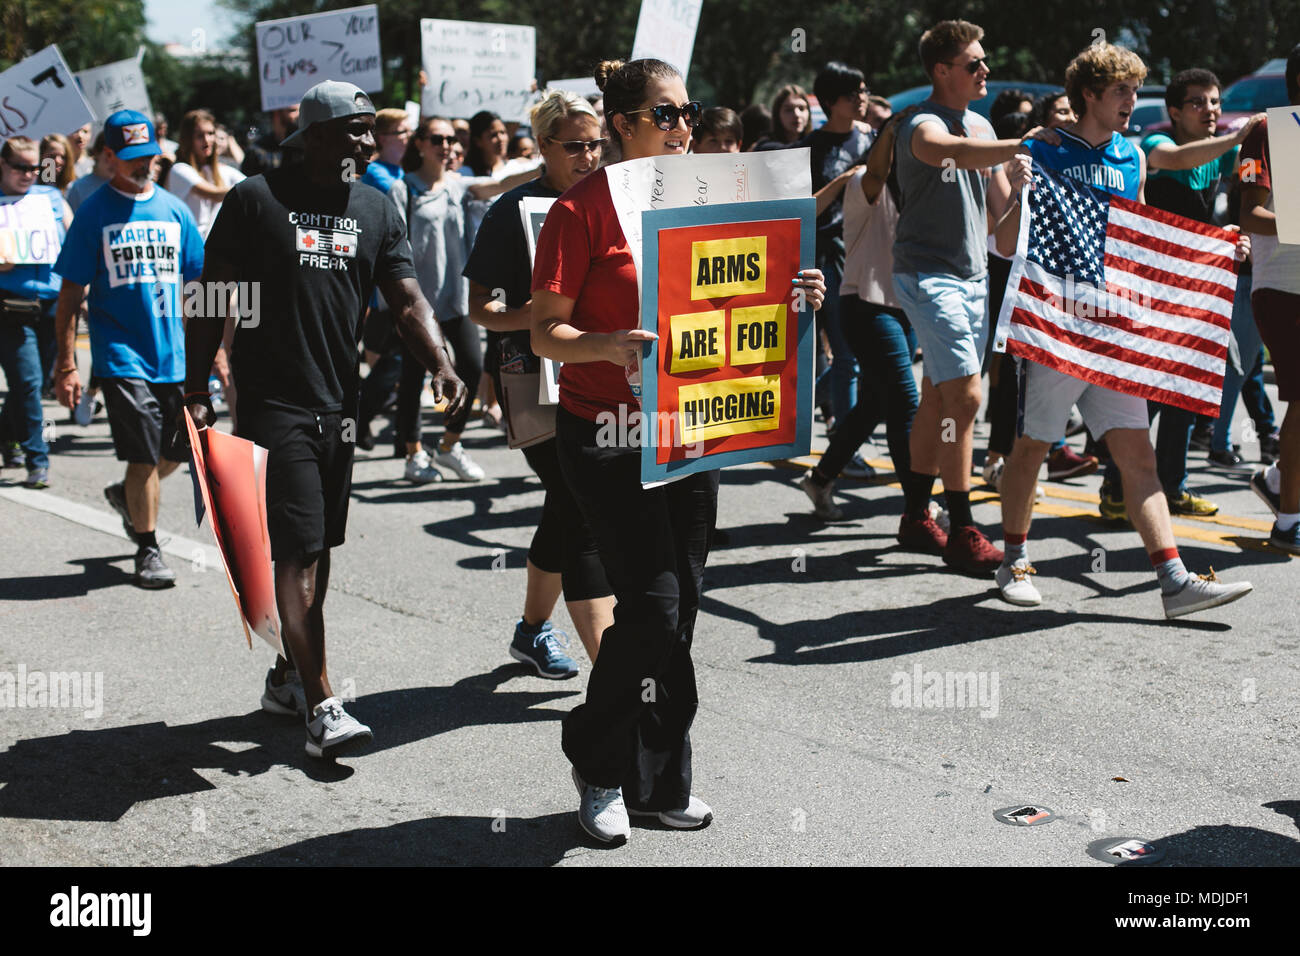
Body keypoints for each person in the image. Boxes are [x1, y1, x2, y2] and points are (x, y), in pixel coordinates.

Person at [530, 57, 826, 844]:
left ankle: (659, 777)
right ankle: (595, 760)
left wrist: (798, 294)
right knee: (654, 608)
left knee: (682, 615)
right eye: (666, 113)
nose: (684, 124)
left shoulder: (717, 194)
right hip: (606, 434)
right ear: (623, 125)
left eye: (689, 110)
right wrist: (607, 345)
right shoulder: (580, 211)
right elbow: (542, 332)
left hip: (689, 430)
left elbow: (747, 285)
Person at [183, 80, 467, 758]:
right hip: (274, 404)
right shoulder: (256, 200)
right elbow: (213, 298)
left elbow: (405, 300)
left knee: (321, 547)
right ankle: (322, 708)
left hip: (341, 407)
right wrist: (196, 387)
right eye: (355, 129)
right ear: (313, 136)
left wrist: (441, 362)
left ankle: (288, 677)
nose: (370, 142)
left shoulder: (376, 204)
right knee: (299, 551)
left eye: (373, 130)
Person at [991, 43, 1255, 614]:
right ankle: (1013, 561)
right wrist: (1016, 188)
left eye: (1135, 91)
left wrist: (1213, 248)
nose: (1132, 102)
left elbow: (1135, 241)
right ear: (1089, 94)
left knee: (1137, 455)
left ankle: (1174, 580)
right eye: (1121, 92)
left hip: (1112, 327)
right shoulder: (1042, 147)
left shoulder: (1131, 155)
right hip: (1055, 326)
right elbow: (1007, 244)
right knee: (1033, 446)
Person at [464, 88, 616, 677]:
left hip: (595, 372)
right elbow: (479, 306)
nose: (588, 157)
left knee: (570, 503)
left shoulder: (610, 201)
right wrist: (536, 316)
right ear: (543, 148)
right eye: (574, 147)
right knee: (577, 498)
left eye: (595, 144)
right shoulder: (513, 209)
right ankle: (608, 667)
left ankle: (531, 631)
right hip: (531, 376)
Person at [891, 19, 1038, 574]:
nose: (986, 71)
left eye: (984, 60)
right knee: (969, 398)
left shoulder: (981, 125)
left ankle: (913, 516)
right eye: (974, 63)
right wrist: (1018, 144)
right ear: (942, 70)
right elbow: (949, 151)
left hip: (974, 277)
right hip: (927, 277)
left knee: (940, 396)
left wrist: (1019, 190)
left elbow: (1001, 232)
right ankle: (963, 526)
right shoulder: (920, 125)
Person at [51, 111, 205, 586]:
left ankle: (127, 495)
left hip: (173, 356)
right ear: (107, 157)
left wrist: (214, 352)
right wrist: (67, 363)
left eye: (150, 156)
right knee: (142, 458)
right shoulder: (94, 213)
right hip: (121, 356)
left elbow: (197, 286)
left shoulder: (175, 211)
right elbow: (71, 295)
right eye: (133, 158)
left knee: (179, 452)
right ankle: (148, 548)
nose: (145, 165)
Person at [1135, 69, 1266, 511]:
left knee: (1183, 392)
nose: (1211, 110)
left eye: (1215, 102)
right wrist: (1236, 137)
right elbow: (1177, 161)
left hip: (1194, 287)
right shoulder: (1156, 145)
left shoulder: (1222, 154)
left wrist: (1265, 146)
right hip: (1155, 288)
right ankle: (1116, 477)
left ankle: (1171, 488)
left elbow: (1251, 177)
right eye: (1198, 103)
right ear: (1174, 112)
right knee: (1154, 391)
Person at [799, 107, 921, 521]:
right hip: (867, 303)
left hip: (906, 306)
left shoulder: (917, 184)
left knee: (874, 403)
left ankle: (821, 478)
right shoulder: (863, 180)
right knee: (907, 402)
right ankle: (919, 510)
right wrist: (892, 129)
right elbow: (816, 206)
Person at [388, 116, 485, 482]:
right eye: (437, 138)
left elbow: (500, 183)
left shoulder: (460, 186)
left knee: (472, 368)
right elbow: (393, 248)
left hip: (457, 301)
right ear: (420, 144)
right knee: (413, 378)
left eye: (451, 139)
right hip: (417, 307)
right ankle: (413, 455)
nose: (447, 145)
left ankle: (449, 445)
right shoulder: (404, 190)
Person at [1239, 43, 1300, 555]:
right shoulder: (1274, 129)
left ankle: (1280, 480)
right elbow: (1249, 214)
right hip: (1283, 287)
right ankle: (1288, 523)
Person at [799, 62, 873, 454]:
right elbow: (801, 210)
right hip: (825, 256)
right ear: (830, 102)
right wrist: (843, 181)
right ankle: (846, 446)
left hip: (870, 256)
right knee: (846, 354)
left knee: (856, 356)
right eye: (852, 94)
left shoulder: (872, 139)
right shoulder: (812, 147)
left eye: (863, 90)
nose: (861, 98)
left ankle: (804, 411)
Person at [0, 136, 71, 488]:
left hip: (53, 302)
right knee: (27, 382)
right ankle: (36, 460)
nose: (28, 174)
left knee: (34, 381)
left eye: (33, 167)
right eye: (19, 167)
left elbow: (72, 238)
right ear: (3, 165)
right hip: (11, 303)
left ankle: (5, 434)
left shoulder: (51, 197)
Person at [165, 109, 247, 239]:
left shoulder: (223, 170)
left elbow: (251, 185)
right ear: (188, 139)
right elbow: (214, 194)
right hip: (193, 246)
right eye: (199, 135)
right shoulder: (179, 170)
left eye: (210, 133)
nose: (207, 140)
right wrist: (246, 190)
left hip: (219, 249)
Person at [241, 104, 300, 176]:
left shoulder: (305, 147)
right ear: (277, 113)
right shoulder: (257, 151)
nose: (299, 114)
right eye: (293, 110)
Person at [66, 133, 115, 212]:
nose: (112, 163)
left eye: (116, 158)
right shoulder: (78, 188)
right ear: (97, 153)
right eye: (108, 156)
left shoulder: (124, 186)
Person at [753, 84, 811, 150]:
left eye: (801, 108)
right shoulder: (764, 146)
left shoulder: (816, 144)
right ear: (777, 114)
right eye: (788, 110)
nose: (797, 114)